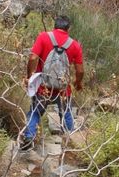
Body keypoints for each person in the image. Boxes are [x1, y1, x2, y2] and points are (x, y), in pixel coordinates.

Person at [20, 15, 84, 151]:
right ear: (68, 28)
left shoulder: (43, 37)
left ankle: (29, 138)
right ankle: (71, 145)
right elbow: (80, 70)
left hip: (43, 88)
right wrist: (78, 83)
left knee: (35, 112)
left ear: (54, 26)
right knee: (66, 113)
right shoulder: (75, 45)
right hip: (62, 90)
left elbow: (32, 57)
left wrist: (29, 77)